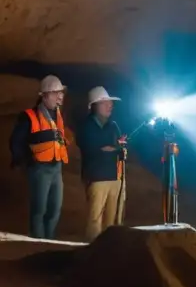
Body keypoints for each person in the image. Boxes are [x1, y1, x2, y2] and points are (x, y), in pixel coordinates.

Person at [8, 75, 70, 239]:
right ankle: (38, 246)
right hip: (39, 169)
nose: (60, 96)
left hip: (56, 168)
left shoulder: (57, 115)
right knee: (39, 210)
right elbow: (16, 141)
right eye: (56, 93)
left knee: (54, 209)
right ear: (45, 95)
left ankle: (49, 242)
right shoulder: (29, 116)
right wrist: (25, 161)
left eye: (61, 93)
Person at [77, 86, 127, 241]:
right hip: (97, 178)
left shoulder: (113, 126)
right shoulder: (86, 127)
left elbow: (116, 149)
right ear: (94, 106)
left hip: (116, 178)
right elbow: (94, 149)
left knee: (114, 222)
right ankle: (92, 254)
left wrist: (117, 148)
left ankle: (112, 253)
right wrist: (113, 149)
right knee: (95, 221)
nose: (109, 105)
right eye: (104, 102)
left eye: (110, 103)